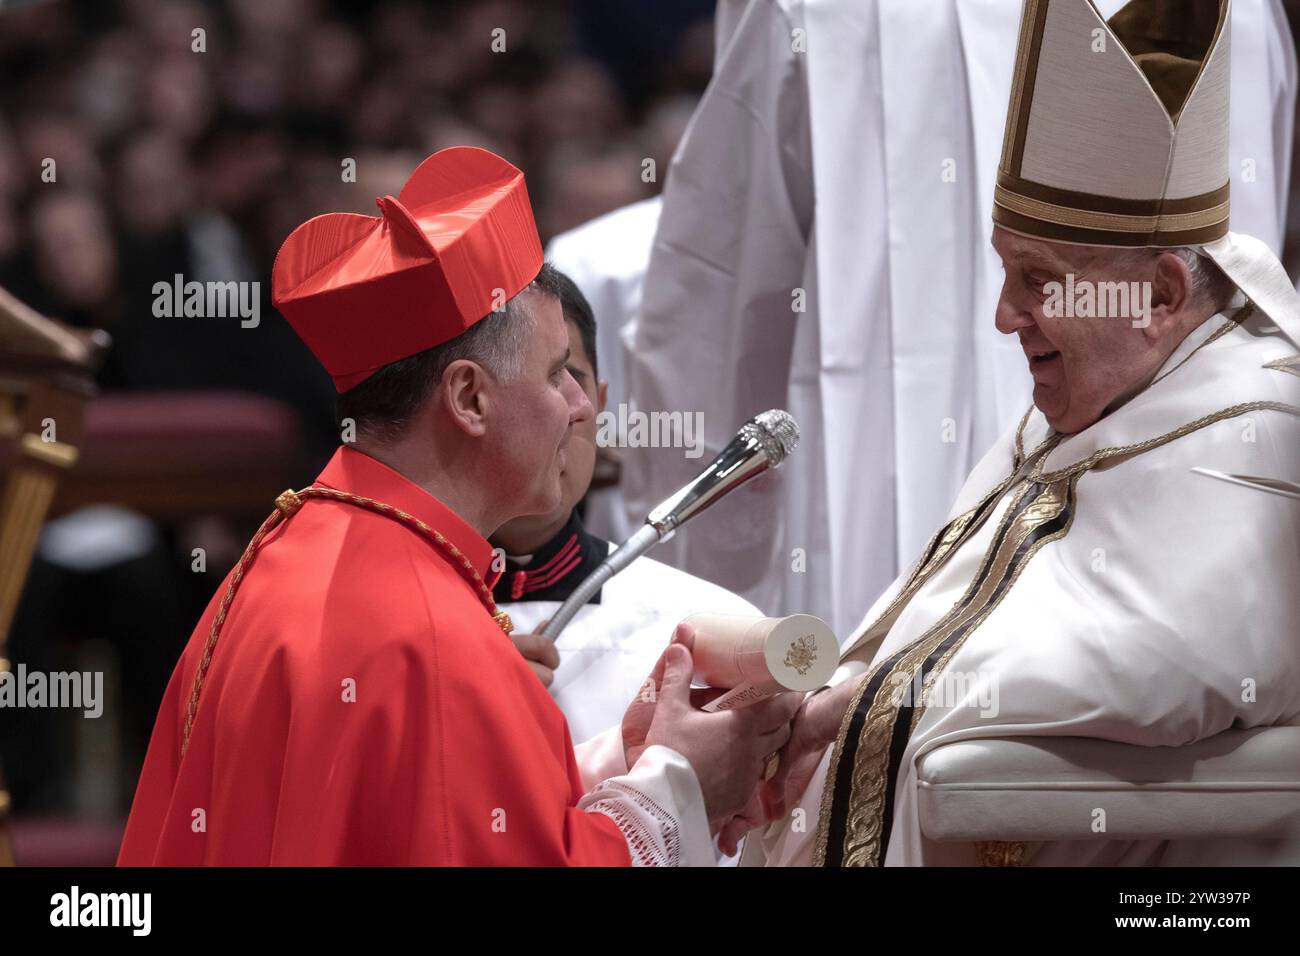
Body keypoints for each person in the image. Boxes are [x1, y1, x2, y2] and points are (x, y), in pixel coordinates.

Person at [117, 146, 799, 866]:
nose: (580, 406)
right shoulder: (436, 638)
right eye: (556, 373)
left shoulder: (288, 549)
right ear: (470, 398)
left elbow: (404, 823)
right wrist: (682, 785)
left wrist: (618, 763)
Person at [745, 0, 1300, 866]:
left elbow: (1166, 660)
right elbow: (956, 606)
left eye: (1039, 280)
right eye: (1006, 271)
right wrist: (836, 687)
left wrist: (864, 706)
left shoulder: (1267, 427)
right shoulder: (1108, 388)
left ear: (1159, 294)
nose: (1005, 316)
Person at [621, 0, 1296, 638]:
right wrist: (707, 616)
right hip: (900, 548)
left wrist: (704, 608)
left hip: (1191, 509)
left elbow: (717, 319)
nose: (1005, 319)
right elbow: (722, 303)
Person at [490, 268, 761, 746]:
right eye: (520, 383)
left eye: (565, 378)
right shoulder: (383, 629)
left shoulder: (708, 626)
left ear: (596, 403)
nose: (557, 412)